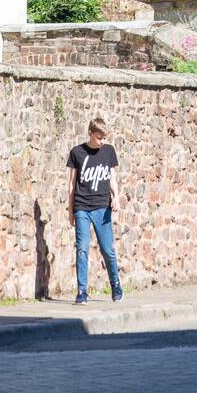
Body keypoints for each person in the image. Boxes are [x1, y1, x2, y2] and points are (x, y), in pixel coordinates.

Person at [66, 115, 123, 305]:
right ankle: (82, 291)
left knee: (107, 250)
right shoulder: (77, 152)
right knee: (82, 249)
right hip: (82, 205)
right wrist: (70, 209)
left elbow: (112, 178)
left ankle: (115, 284)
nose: (102, 141)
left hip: (102, 206)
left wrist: (116, 197)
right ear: (90, 133)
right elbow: (72, 184)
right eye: (99, 137)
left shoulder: (108, 151)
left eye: (104, 137)